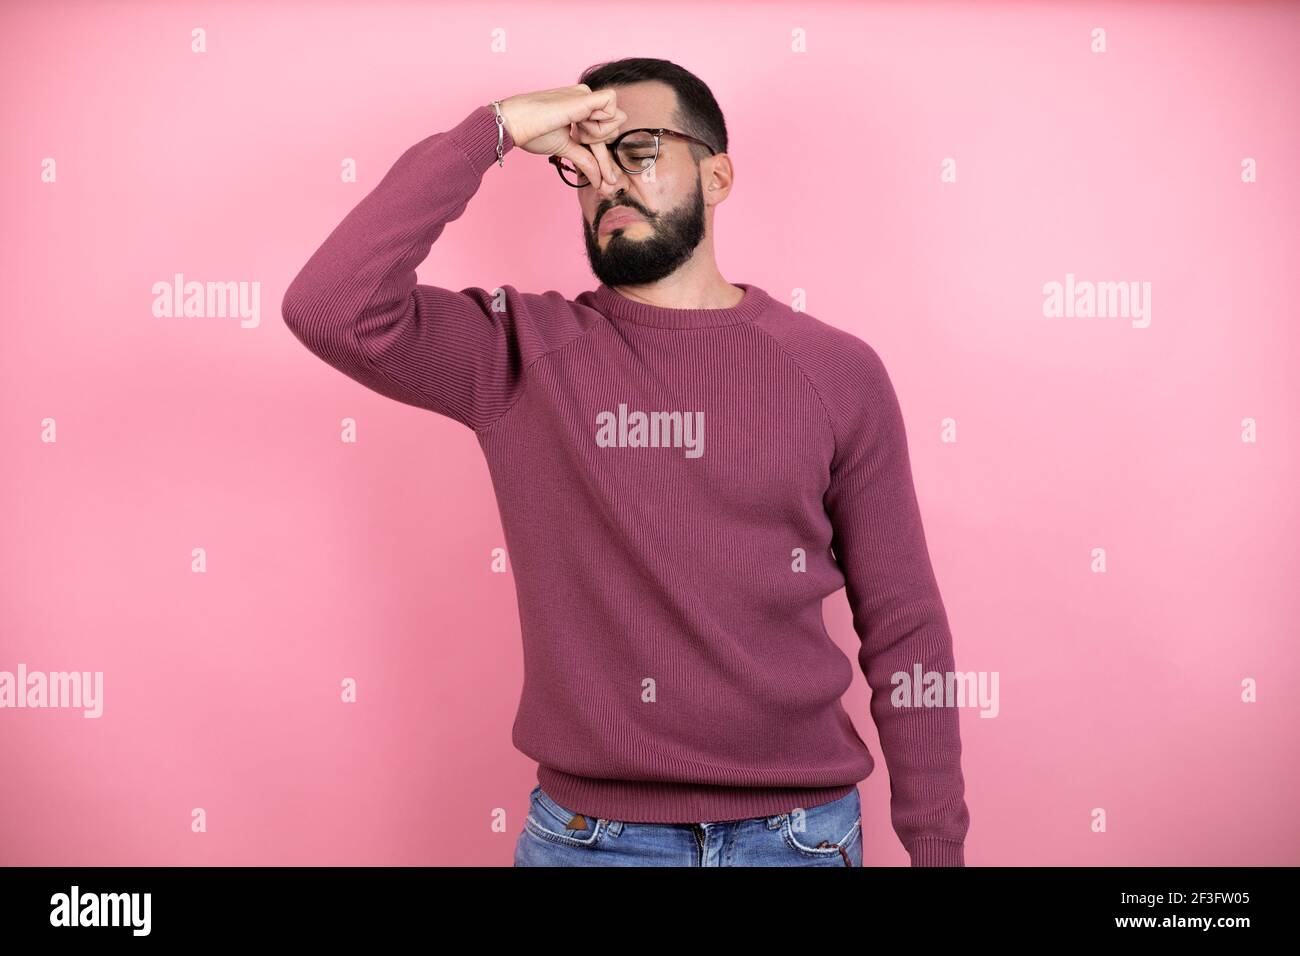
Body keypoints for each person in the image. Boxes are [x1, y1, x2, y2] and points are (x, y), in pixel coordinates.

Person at [281, 57, 970, 867]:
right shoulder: (519, 354)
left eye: (637, 150)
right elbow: (328, 307)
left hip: (801, 837)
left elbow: (905, 624)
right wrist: (495, 129)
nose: (606, 183)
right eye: (580, 165)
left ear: (717, 175)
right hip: (592, 843)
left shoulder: (836, 370)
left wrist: (936, 850)